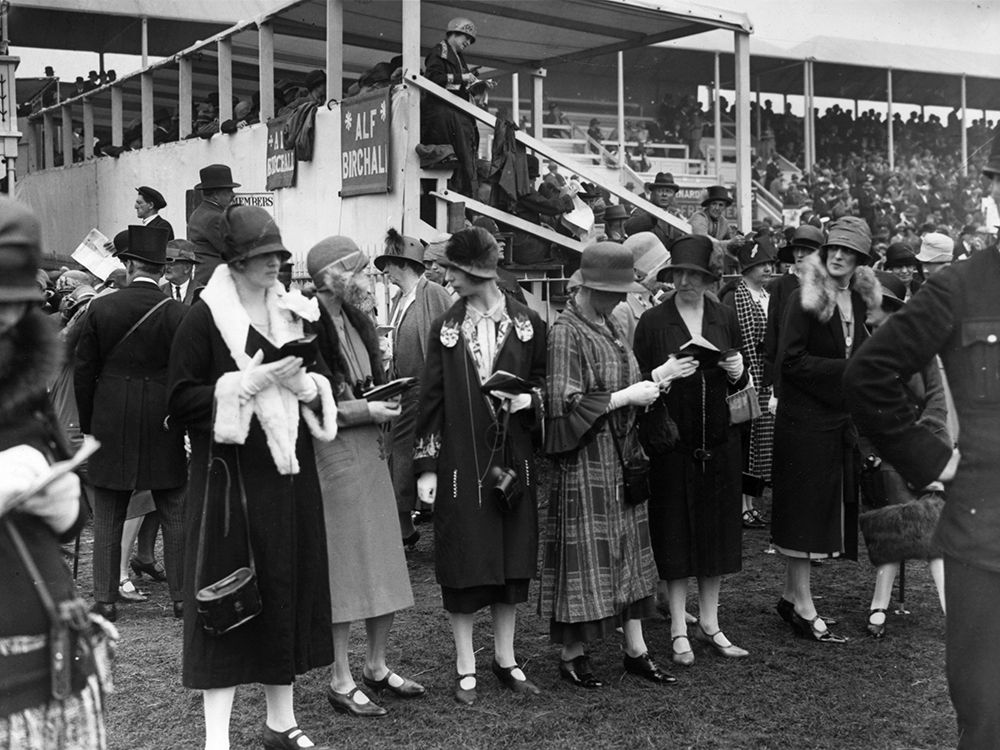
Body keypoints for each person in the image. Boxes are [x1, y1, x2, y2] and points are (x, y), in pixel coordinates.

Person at [167, 205, 337, 750]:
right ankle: (217, 739)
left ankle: (281, 723)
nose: (275, 265)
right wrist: (247, 382)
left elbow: (324, 377)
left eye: (278, 256)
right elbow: (180, 400)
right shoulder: (202, 318)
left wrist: (309, 388)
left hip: (288, 478)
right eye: (263, 257)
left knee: (284, 590)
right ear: (236, 262)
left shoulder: (294, 311)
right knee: (226, 602)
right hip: (228, 483)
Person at [413, 227, 547, 706]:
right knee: (465, 560)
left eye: (452, 269)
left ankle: (506, 659)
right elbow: (429, 400)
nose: (446, 277)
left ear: (473, 273)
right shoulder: (444, 330)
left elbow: (545, 384)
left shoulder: (530, 322)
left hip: (515, 462)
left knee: (511, 562)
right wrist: (426, 467)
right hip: (461, 463)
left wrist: (529, 398)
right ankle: (466, 662)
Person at [0, 198, 111, 750]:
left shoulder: (21, 376)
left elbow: (69, 527)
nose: (4, 321)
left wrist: (65, 501)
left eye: (14, 306)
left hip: (47, 638)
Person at [540, 241, 675, 689]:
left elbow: (623, 379)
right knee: (588, 554)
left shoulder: (611, 323)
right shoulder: (566, 331)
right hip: (586, 460)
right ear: (590, 287)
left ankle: (636, 649)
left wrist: (655, 382)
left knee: (628, 553)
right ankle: (572, 653)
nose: (622, 299)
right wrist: (624, 397)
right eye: (614, 291)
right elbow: (563, 402)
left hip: (622, 455)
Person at [305, 235, 425, 718]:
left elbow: (360, 379)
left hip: (372, 452)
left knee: (384, 562)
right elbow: (310, 399)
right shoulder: (304, 325)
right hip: (335, 455)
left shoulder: (356, 318)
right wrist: (365, 407)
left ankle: (375, 666)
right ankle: (340, 677)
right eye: (356, 270)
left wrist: (383, 397)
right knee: (347, 572)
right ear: (331, 275)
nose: (368, 279)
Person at [632, 235, 750, 667]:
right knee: (676, 536)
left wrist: (739, 372)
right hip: (673, 446)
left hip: (718, 444)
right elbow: (638, 380)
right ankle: (679, 627)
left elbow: (742, 380)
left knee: (715, 539)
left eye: (695, 275)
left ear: (708, 279)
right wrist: (660, 374)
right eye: (678, 274)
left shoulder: (723, 315)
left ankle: (712, 622)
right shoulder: (654, 321)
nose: (685, 281)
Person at [770, 216, 881, 643]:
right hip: (803, 421)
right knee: (804, 513)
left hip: (834, 421)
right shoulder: (806, 297)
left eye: (848, 251)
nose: (838, 255)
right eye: (833, 248)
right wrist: (848, 370)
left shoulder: (858, 299)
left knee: (818, 511)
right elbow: (791, 361)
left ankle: (789, 596)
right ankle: (803, 604)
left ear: (860, 260)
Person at [73, 225, 188, 623]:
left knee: (108, 511)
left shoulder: (101, 309)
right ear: (160, 269)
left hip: (111, 418)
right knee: (173, 509)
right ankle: (181, 598)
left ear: (129, 263)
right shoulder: (178, 313)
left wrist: (89, 427)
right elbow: (187, 375)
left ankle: (105, 600)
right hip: (163, 420)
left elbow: (83, 373)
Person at [856, 274, 948, 639]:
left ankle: (950, 609)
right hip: (888, 458)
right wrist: (874, 455)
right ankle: (879, 605)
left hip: (925, 451)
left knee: (935, 532)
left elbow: (938, 404)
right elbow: (861, 416)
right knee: (895, 529)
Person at [374, 229, 453, 544]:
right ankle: (404, 524)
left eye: (389, 265)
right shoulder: (399, 299)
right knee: (400, 452)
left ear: (402, 263)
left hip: (425, 389)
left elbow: (450, 336)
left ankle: (408, 524)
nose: (385, 272)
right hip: (402, 388)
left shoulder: (432, 292)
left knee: (413, 452)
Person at [723, 238, 777, 529]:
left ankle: (751, 502)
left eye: (770, 263)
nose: (768, 268)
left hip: (766, 377)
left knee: (759, 443)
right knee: (745, 442)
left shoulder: (768, 296)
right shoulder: (736, 297)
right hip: (743, 378)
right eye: (761, 264)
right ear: (747, 268)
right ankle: (740, 505)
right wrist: (745, 377)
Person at [422, 18, 492, 198]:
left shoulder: (458, 55)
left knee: (465, 162)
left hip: (454, 114)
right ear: (454, 33)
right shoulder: (440, 51)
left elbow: (458, 83)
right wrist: (462, 78)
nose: (467, 43)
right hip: (442, 115)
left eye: (470, 40)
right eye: (466, 38)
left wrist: (477, 83)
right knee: (458, 163)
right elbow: (433, 79)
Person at [763, 224, 824, 396]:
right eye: (797, 249)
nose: (799, 254)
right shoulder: (781, 285)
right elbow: (773, 331)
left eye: (806, 250)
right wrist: (771, 378)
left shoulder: (827, 286)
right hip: (788, 368)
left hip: (816, 369)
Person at [611, 232, 670, 346]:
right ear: (637, 273)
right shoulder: (621, 309)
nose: (664, 276)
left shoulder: (652, 302)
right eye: (658, 270)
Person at [187, 164, 240, 288]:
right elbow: (232, 250)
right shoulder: (215, 217)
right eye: (228, 191)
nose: (233, 195)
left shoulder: (199, 212)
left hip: (205, 277)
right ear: (216, 195)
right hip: (218, 280)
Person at [623, 172, 685, 249]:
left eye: (668, 191)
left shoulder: (676, 216)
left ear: (673, 196)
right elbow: (629, 228)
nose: (664, 194)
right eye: (660, 191)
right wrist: (652, 215)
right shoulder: (642, 211)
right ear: (652, 193)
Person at [689, 185, 746, 258]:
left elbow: (730, 239)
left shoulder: (723, 222)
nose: (717, 208)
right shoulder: (699, 217)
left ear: (725, 207)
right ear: (708, 205)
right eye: (714, 204)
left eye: (721, 205)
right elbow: (703, 241)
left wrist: (738, 240)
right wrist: (729, 243)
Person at [160, 239, 201, 304]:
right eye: (165, 262)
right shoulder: (158, 293)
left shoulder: (203, 293)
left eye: (171, 263)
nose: (166, 267)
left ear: (187, 268)